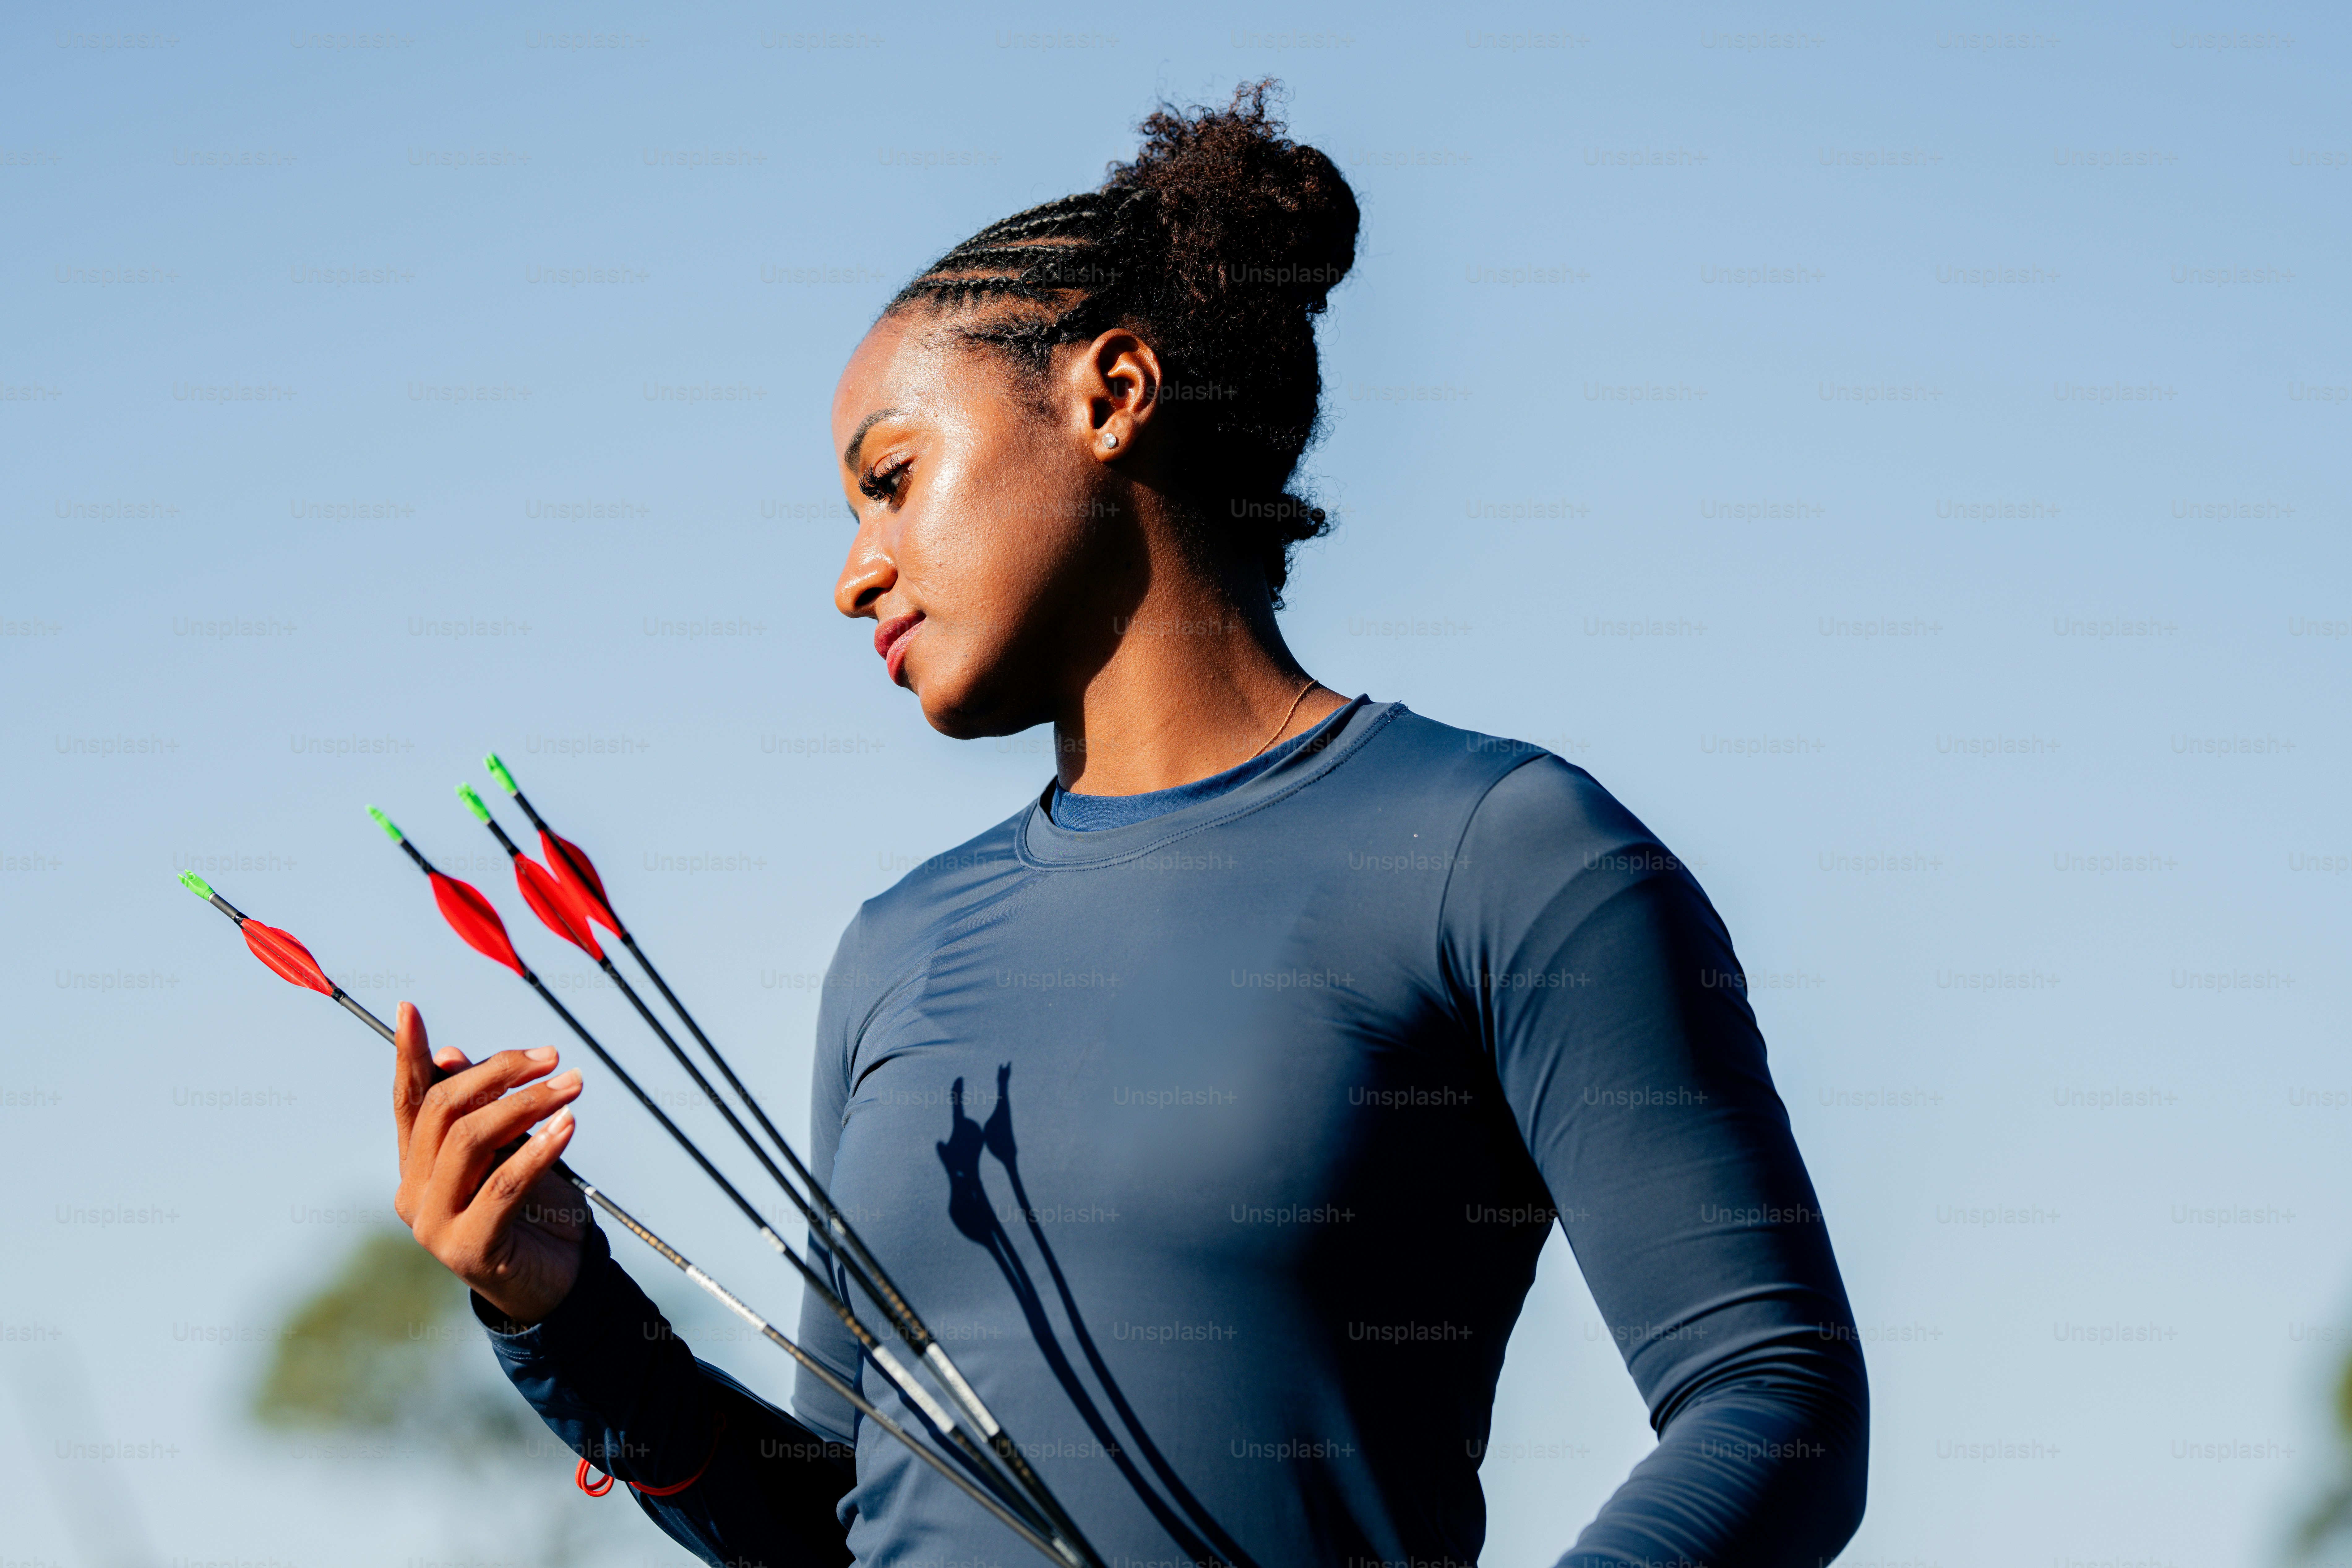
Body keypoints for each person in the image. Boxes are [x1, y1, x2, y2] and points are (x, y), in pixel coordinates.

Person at [389, 81, 1868, 1568]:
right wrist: (567, 1319)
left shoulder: (1498, 853)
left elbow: (1770, 1401)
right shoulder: (893, 951)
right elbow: (848, 1518)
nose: (854, 571)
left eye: (891, 480)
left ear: (1110, 394)